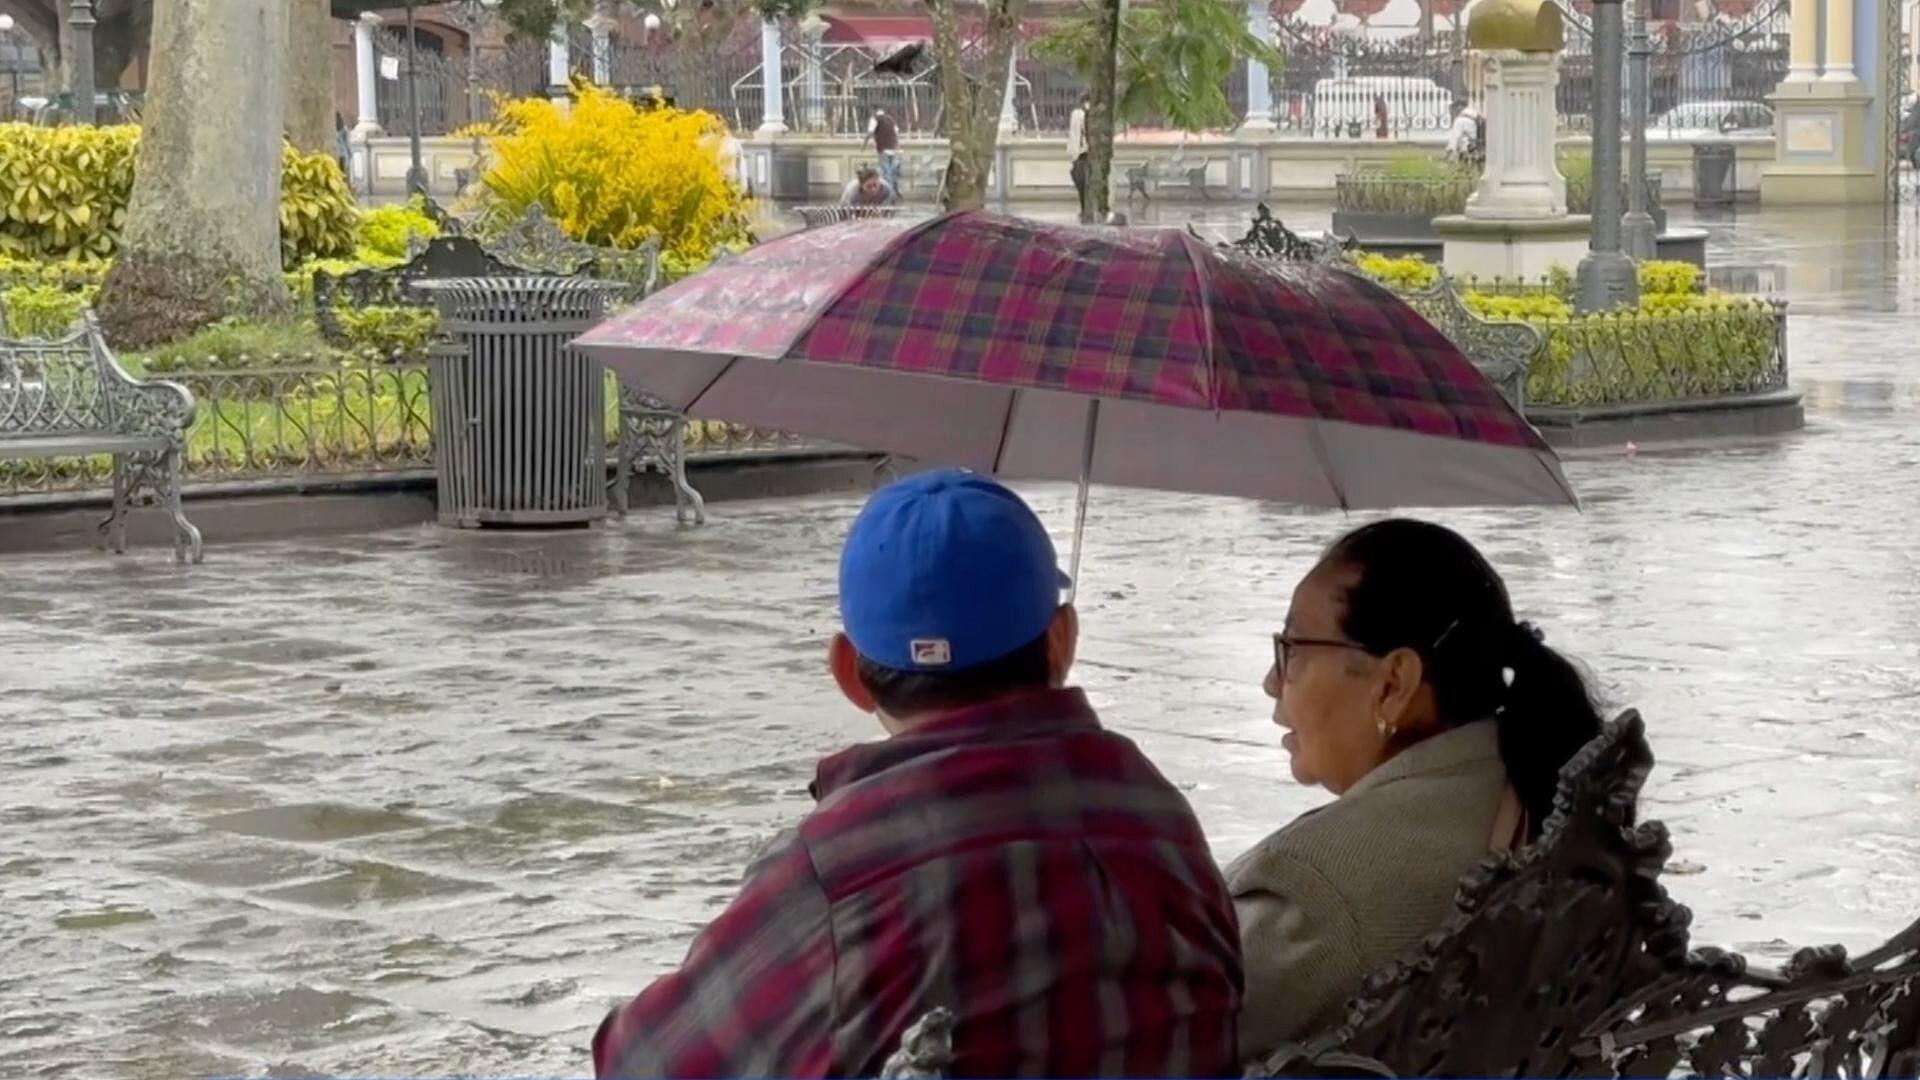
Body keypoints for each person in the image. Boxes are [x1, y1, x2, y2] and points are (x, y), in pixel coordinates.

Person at [593, 470, 1244, 1079]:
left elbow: (641, 1063)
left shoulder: (833, 870)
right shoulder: (1161, 819)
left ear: (848, 672)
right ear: (1062, 640)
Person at [1230, 519, 1605, 1060]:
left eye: (1293, 648)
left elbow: (1147, 1039)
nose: (1272, 679)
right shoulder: (1532, 785)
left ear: (1393, 683)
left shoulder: (1317, 889)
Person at [865, 108, 902, 193]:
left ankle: (889, 193)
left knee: (886, 173)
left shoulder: (875, 119)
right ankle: (895, 192)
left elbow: (870, 131)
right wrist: (897, 146)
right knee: (892, 172)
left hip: (883, 149)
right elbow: (896, 132)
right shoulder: (890, 119)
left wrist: (865, 143)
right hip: (893, 149)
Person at [1068, 94, 1091, 223]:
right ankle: (1085, 210)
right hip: (1082, 155)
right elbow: (1077, 135)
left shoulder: (1079, 114)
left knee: (1084, 187)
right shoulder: (1080, 114)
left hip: (1081, 155)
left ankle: (1085, 210)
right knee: (1083, 186)